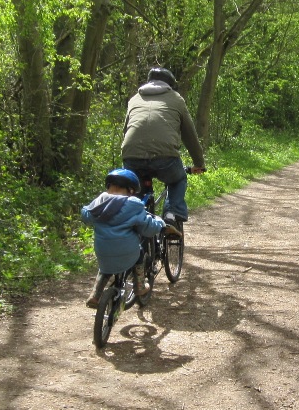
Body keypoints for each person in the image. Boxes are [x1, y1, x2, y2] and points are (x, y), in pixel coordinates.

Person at [121, 66, 206, 231]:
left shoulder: (134, 99)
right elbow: (190, 135)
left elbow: (126, 132)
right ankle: (171, 215)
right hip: (165, 158)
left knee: (136, 192)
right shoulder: (176, 99)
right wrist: (199, 162)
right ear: (170, 84)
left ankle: (134, 220)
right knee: (177, 180)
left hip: (132, 156)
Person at [81, 168, 166, 308]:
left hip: (102, 251)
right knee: (138, 253)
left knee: (105, 268)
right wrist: (159, 225)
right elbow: (147, 228)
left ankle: (95, 295)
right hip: (127, 252)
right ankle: (139, 286)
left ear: (109, 186)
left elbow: (86, 216)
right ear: (131, 190)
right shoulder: (133, 204)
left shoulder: (99, 201)